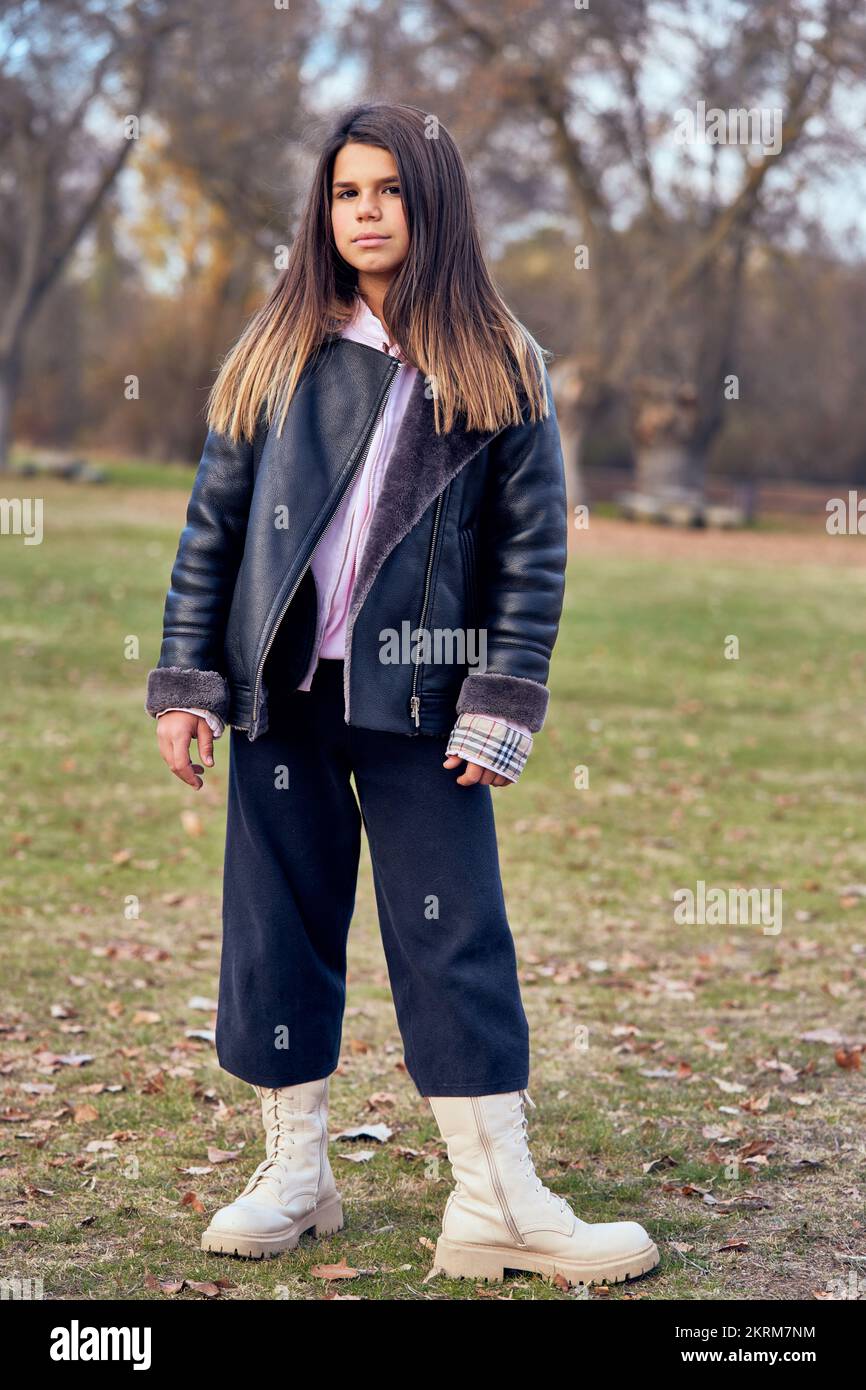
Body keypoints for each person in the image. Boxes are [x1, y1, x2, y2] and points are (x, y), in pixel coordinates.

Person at [145, 101, 658, 1290]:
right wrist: (190, 681)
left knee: (452, 939)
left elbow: (532, 550)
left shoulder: (497, 360)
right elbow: (211, 530)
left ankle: (497, 1201)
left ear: (432, 207)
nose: (364, 212)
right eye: (343, 193)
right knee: (278, 930)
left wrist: (502, 695)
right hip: (283, 697)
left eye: (387, 191)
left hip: (423, 709)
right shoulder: (274, 349)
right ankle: (296, 1174)